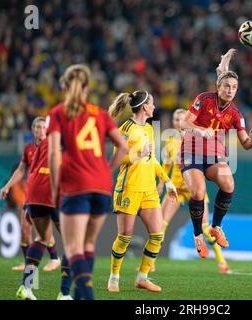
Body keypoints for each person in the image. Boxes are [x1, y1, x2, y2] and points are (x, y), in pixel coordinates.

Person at [48, 64, 128, 300]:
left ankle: (88, 295)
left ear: (64, 85)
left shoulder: (59, 113)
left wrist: (54, 190)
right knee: (88, 245)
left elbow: (53, 154)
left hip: (76, 185)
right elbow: (123, 146)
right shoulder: (100, 114)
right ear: (88, 86)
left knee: (73, 248)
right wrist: (107, 170)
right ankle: (80, 294)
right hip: (102, 185)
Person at [180, 48, 252, 258]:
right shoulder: (204, 99)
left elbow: (245, 143)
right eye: (226, 85)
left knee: (228, 183)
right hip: (191, 151)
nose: (230, 90)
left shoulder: (235, 114)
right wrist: (200, 129)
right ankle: (198, 235)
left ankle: (216, 226)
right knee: (198, 193)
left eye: (234, 87)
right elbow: (183, 122)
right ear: (218, 86)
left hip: (214, 155)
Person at [107, 89, 177, 293]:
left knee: (157, 235)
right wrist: (138, 153)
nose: (154, 106)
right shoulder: (125, 129)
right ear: (145, 106)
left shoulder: (148, 129)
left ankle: (142, 277)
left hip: (148, 190)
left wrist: (167, 180)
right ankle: (113, 277)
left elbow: (152, 159)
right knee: (125, 236)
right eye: (152, 103)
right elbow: (118, 158)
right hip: (128, 188)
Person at [158, 108, 230, 273]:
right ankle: (149, 263)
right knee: (160, 225)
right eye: (176, 119)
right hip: (176, 190)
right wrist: (162, 183)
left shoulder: (198, 141)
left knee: (206, 228)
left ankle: (221, 261)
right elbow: (166, 166)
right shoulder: (170, 141)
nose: (178, 122)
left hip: (195, 191)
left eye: (181, 119)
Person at [0, 117, 60, 272]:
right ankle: (30, 267)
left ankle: (53, 260)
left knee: (44, 234)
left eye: (43, 127)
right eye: (37, 127)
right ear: (33, 129)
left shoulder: (55, 146)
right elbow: (21, 170)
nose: (40, 130)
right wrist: (7, 186)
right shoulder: (29, 149)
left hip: (52, 195)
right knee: (27, 231)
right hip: (35, 195)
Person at [14, 133, 62, 300]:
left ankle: (26, 287)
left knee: (42, 238)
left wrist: (28, 201)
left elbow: (31, 170)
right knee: (74, 242)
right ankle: (65, 293)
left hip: (35, 191)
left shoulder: (42, 143)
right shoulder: (71, 138)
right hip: (53, 191)